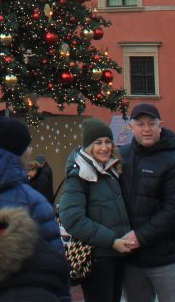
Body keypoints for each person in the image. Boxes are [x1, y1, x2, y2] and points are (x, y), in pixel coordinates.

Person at [119, 103, 175, 302]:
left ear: (160, 125)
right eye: (140, 124)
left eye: (151, 124)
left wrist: (140, 237)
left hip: (167, 259)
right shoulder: (122, 156)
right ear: (131, 127)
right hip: (133, 259)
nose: (146, 129)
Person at [57, 117, 134, 302]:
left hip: (115, 254)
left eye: (108, 142)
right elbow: (72, 218)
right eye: (98, 143)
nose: (104, 147)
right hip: (97, 257)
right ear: (88, 147)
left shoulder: (111, 170)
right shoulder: (79, 176)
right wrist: (111, 240)